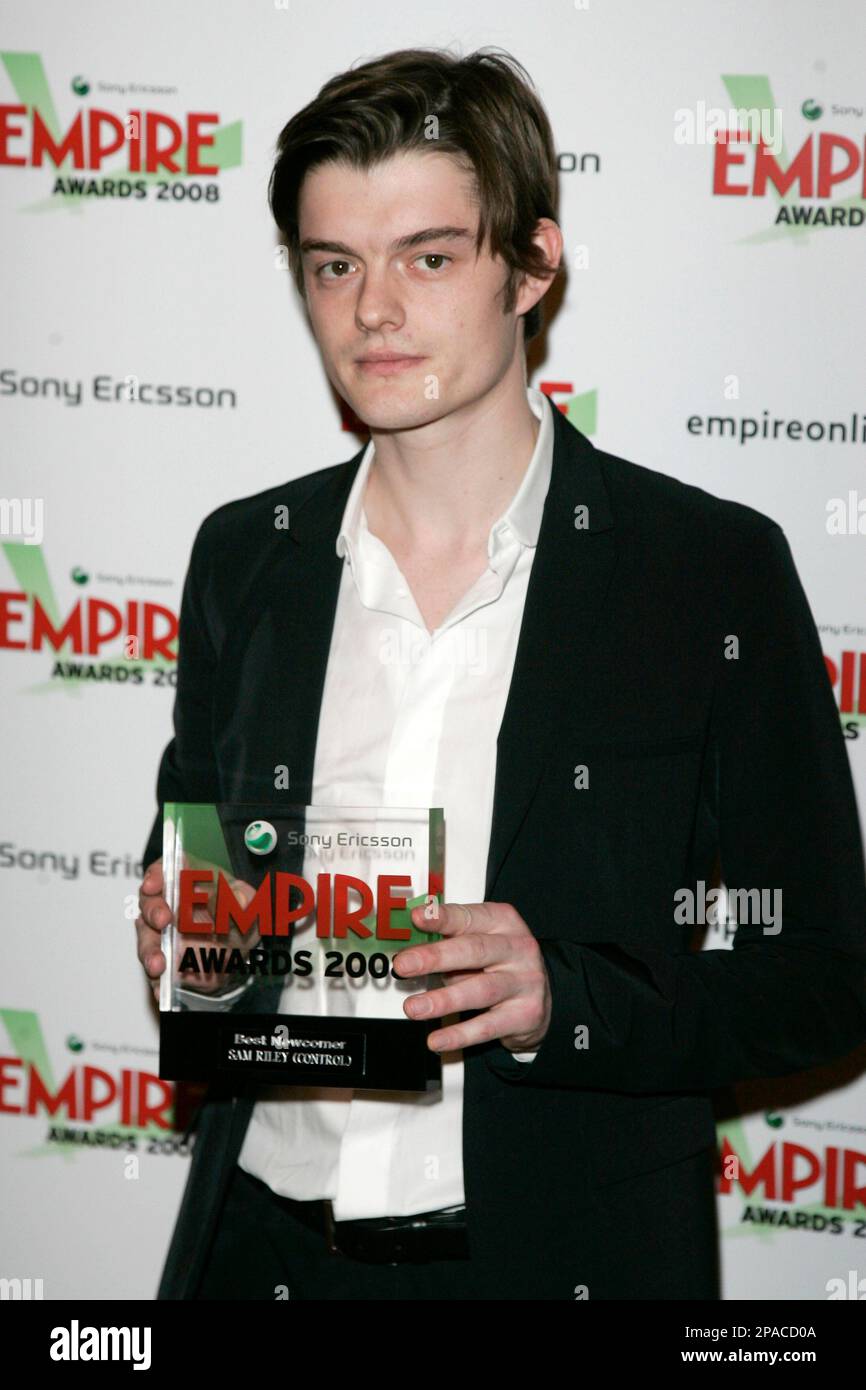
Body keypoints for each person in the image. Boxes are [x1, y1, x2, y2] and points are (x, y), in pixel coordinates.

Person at [135, 46, 866, 1301]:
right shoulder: (243, 558)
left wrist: (559, 999)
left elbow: (815, 975)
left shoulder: (702, 573)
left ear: (531, 264)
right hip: (257, 1255)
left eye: (428, 257)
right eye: (333, 266)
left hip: (548, 1267)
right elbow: (203, 871)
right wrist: (185, 936)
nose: (372, 310)